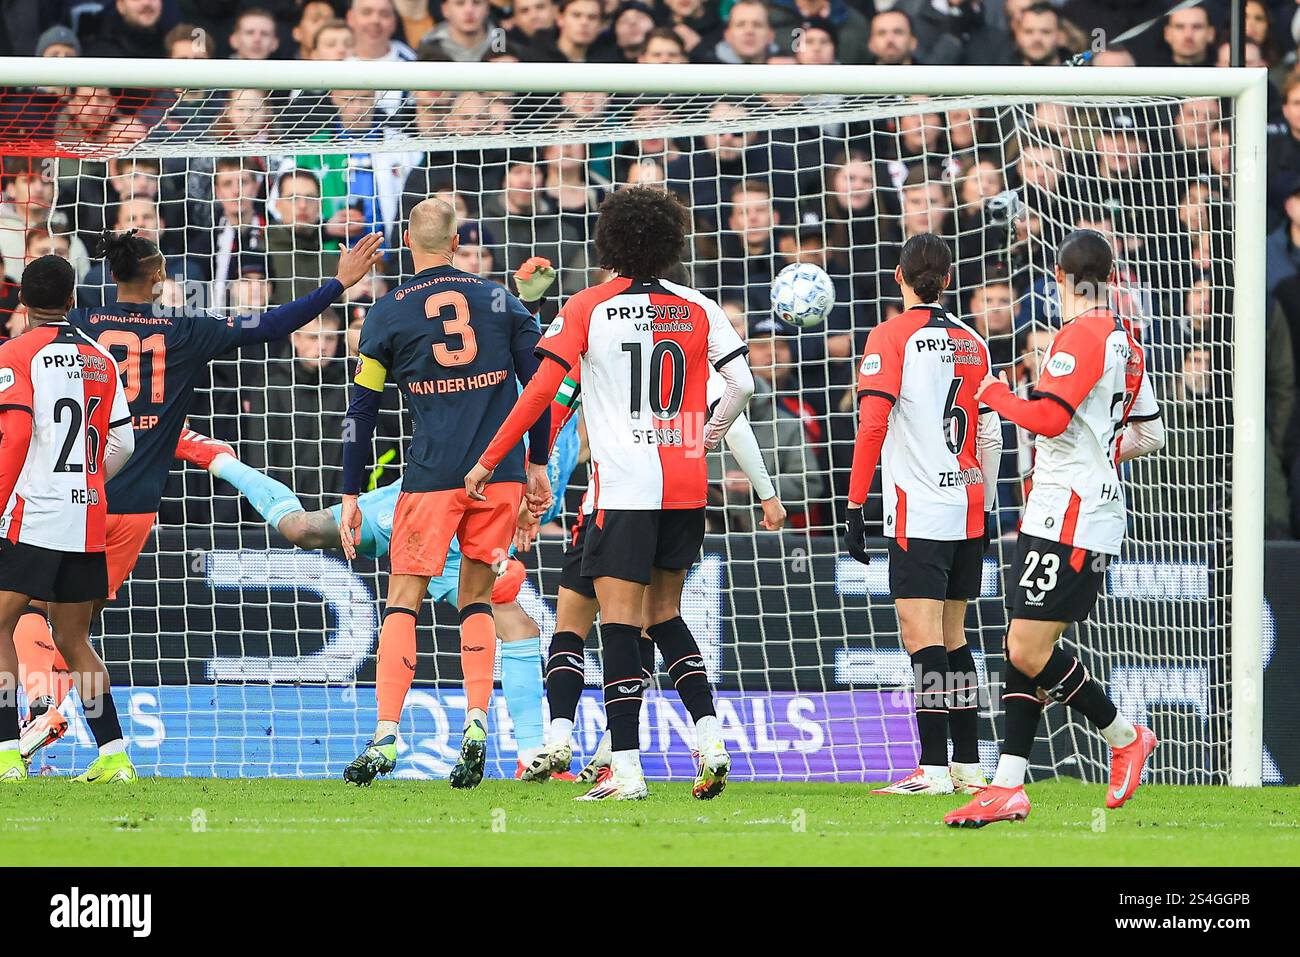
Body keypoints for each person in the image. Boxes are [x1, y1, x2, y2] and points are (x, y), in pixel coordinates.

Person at [8, 229, 386, 759]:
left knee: (26, 605)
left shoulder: (81, 324)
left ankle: (41, 704)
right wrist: (335, 286)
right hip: (135, 507)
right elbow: (273, 323)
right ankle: (71, 724)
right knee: (77, 626)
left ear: (108, 276)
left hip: (71, 494)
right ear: (160, 275)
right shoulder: (188, 329)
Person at [466, 186, 755, 801]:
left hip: (622, 487)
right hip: (684, 484)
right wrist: (708, 434)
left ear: (610, 243)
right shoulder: (700, 305)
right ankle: (709, 738)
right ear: (671, 244)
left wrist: (493, 459)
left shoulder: (590, 306)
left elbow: (542, 391)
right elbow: (743, 384)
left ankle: (625, 769)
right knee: (665, 616)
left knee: (620, 626)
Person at [946, 229, 1165, 827]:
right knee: (1023, 645)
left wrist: (994, 392)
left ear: (1064, 280)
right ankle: (1008, 785)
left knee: (1025, 647)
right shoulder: (1126, 341)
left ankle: (1124, 737)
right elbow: (1151, 434)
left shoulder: (1080, 336)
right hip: (1073, 508)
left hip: (1069, 513)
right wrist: (1101, 459)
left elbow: (1046, 418)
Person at [339, 198, 550, 790]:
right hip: (500, 472)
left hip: (432, 476)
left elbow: (363, 409)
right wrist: (536, 463)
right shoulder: (500, 302)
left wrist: (352, 491)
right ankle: (478, 724)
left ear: (409, 242)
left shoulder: (384, 315)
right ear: (456, 244)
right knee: (477, 600)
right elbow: (540, 385)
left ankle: (385, 734)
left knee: (402, 601)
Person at [843, 234, 1002, 796]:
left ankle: (932, 767)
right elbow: (988, 428)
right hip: (968, 504)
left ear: (898, 277)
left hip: (919, 509)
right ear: (951, 279)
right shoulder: (973, 341)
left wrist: (856, 501)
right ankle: (968, 763)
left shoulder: (890, 336)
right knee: (955, 636)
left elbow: (873, 424)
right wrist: (980, 495)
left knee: (922, 637)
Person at [0, 256, 135, 783]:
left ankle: (8, 753)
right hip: (85, 513)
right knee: (73, 640)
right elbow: (122, 442)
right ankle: (115, 755)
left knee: (1, 625)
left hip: (32, 513)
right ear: (74, 301)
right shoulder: (101, 357)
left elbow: (13, 437)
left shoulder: (15, 353)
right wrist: (84, 478)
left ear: (21, 305)